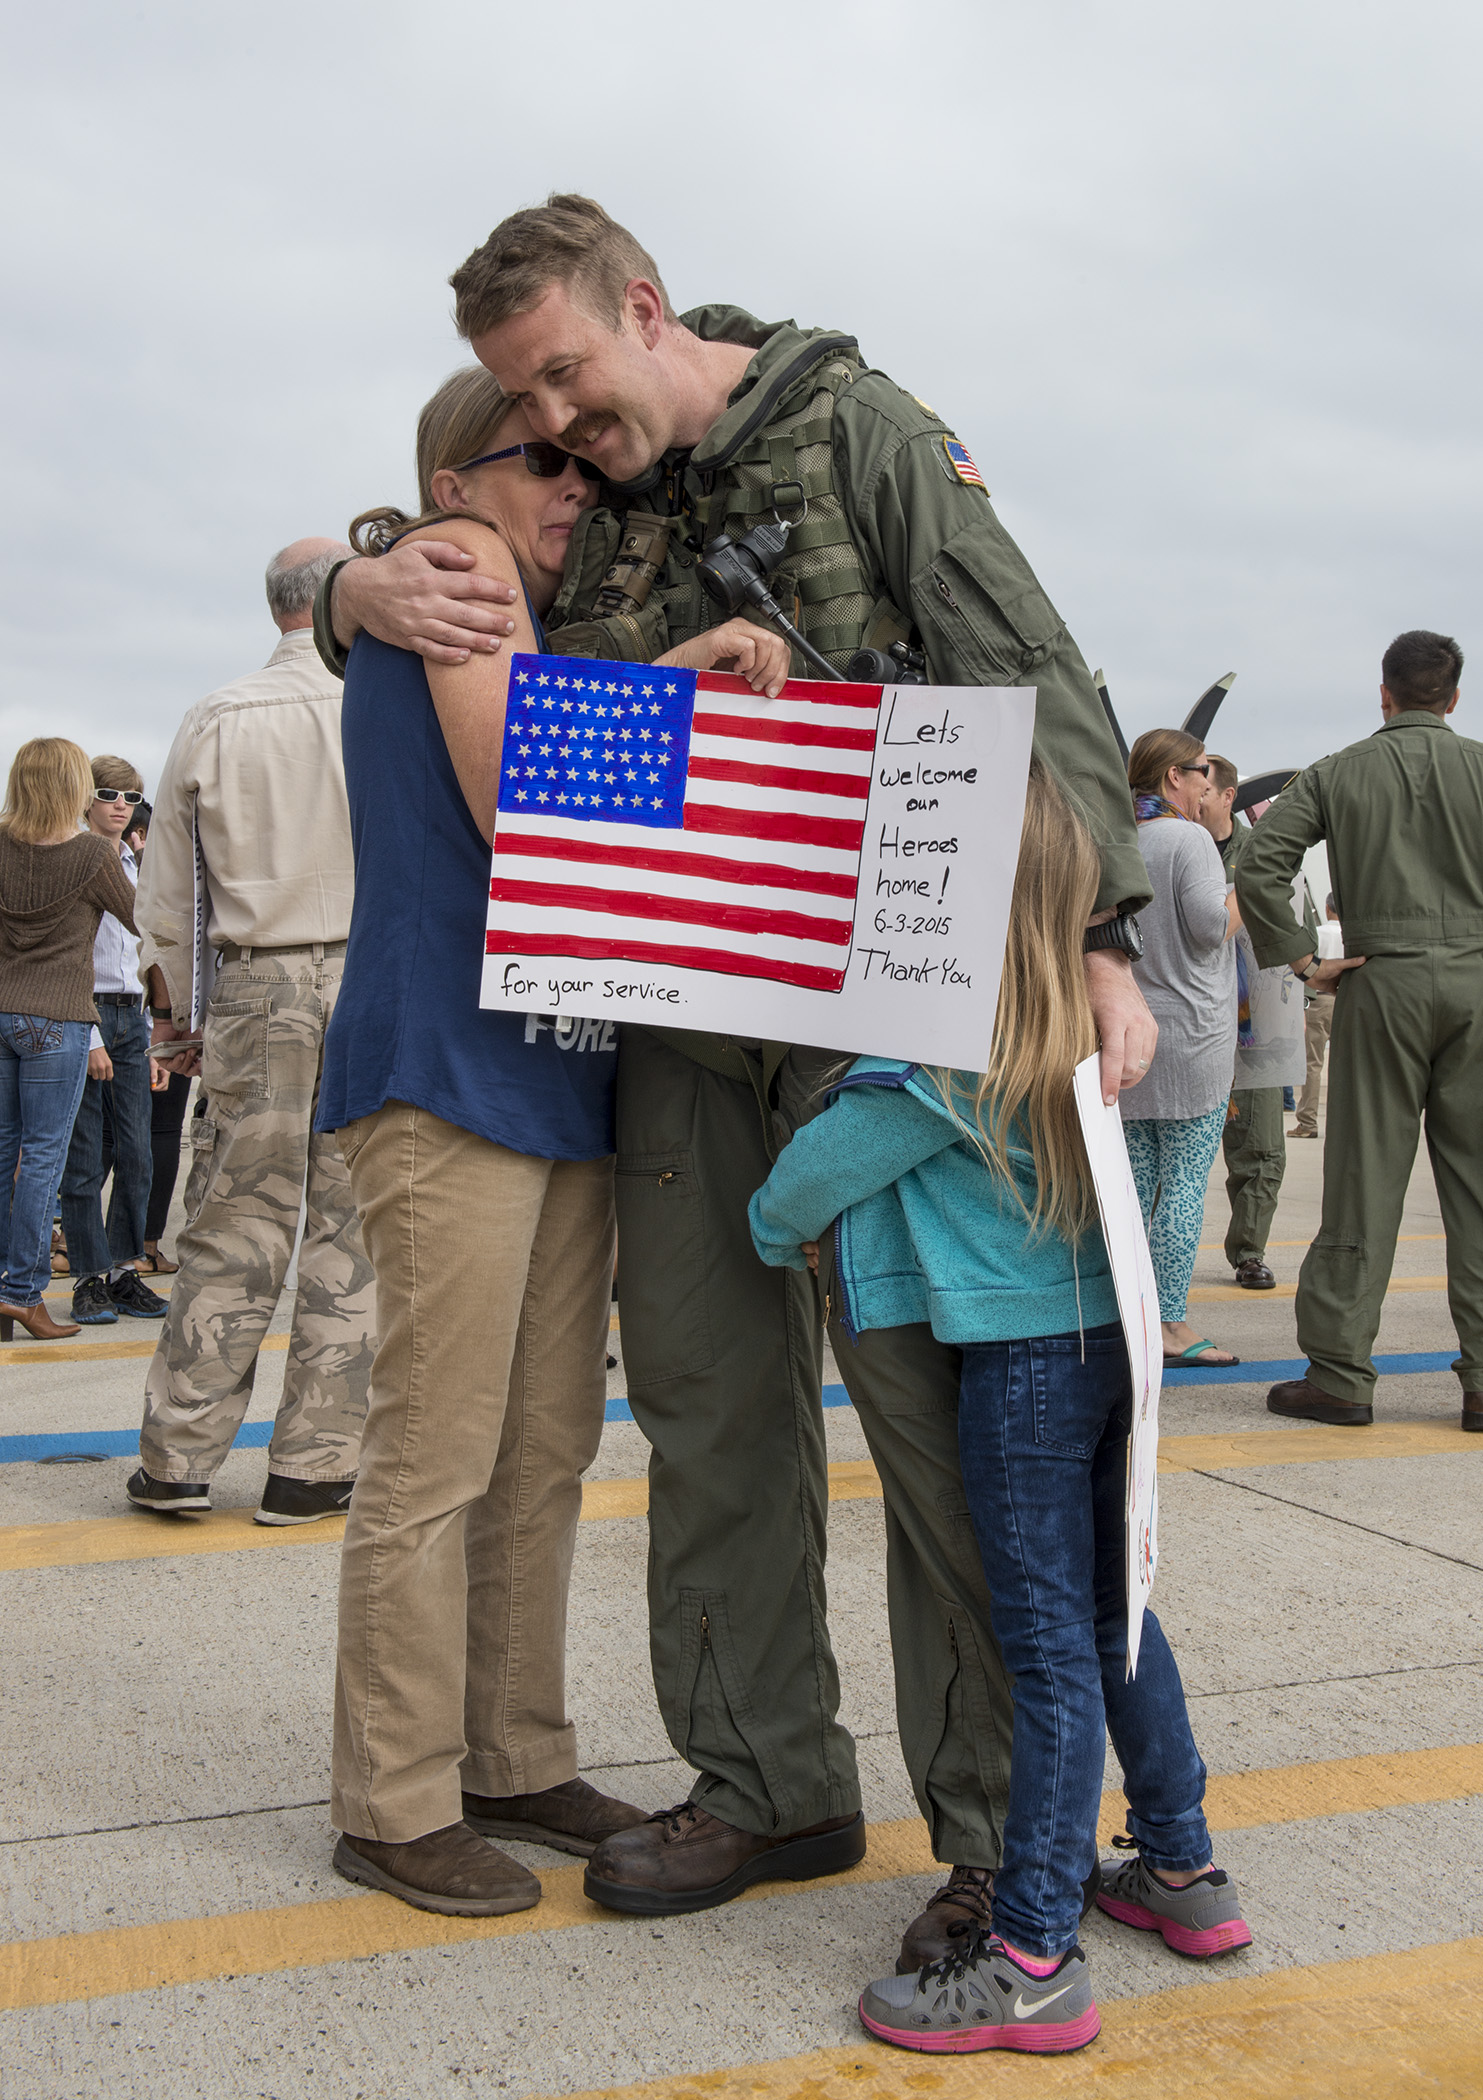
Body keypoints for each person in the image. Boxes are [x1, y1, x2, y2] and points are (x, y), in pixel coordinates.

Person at [314, 195, 1158, 1927]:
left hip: (880, 1022)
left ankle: (996, 1836)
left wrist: (1097, 938)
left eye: (564, 375)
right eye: (523, 403)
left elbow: (1024, 664)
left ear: (643, 306)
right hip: (682, 1027)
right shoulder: (574, 506)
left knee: (932, 1434)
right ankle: (767, 1783)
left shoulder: (860, 431)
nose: (554, 422)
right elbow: (522, 712)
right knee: (704, 1417)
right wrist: (342, 580)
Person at [323, 368, 788, 1918]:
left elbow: (548, 736)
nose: (575, 480)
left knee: (538, 1451)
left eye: (581, 460)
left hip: (542, 1075)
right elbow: (522, 798)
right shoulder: (452, 566)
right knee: (439, 1452)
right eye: (539, 457)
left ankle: (512, 1754)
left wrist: (672, 667)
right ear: (454, 480)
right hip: (448, 1071)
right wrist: (679, 689)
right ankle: (392, 1799)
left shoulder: (511, 607)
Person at [748, 763, 1250, 2056]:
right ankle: (1182, 1867)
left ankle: (1029, 1955)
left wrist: (765, 1226)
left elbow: (813, 1174)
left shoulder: (940, 1049)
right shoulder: (1073, 1022)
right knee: (1115, 1620)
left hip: (1018, 1374)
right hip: (1103, 1347)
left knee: (1044, 1655)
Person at [127, 538, 377, 1525]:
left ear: (275, 605)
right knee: (352, 1232)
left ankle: (177, 1459)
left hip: (256, 982)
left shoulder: (218, 714)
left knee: (232, 1223)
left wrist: (177, 1021)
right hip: (372, 977)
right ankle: (313, 1466)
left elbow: (169, 894)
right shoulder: (381, 703)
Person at [1237, 629, 1478, 1431]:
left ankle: (1340, 1376)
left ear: (1383, 694)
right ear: (1452, 697)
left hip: (1380, 983)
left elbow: (1259, 864)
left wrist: (1303, 959)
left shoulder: (1336, 771)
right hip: (1476, 980)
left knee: (1362, 1180)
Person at [0, 739, 139, 1340]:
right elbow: (141, 919)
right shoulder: (92, 853)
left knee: (5, 1153)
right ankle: (22, 1295)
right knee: (44, 1158)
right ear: (74, 786)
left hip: (1, 1011)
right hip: (58, 1018)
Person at [1122, 731, 1240, 1369]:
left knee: (1137, 1189)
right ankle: (1168, 1323)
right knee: (1185, 1185)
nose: (1205, 787)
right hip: (1194, 1037)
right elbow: (1210, 926)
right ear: (1173, 776)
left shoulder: (1121, 837)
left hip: (1131, 1035)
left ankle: (1131, 1316)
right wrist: (1247, 889)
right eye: (1201, 774)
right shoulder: (1188, 840)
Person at [57, 756, 168, 1328]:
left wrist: (156, 1035)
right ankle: (88, 1278)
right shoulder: (75, 859)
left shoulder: (138, 863)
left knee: (137, 1152)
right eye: (108, 794)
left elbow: (150, 950)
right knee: (83, 1155)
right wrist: (89, 1033)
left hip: (133, 1016)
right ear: (86, 799)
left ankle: (124, 1270)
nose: (121, 805)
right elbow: (68, 954)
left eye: (131, 796)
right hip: (86, 1010)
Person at [1199, 756, 1307, 1291]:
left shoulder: (1264, 854)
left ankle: (1249, 1251)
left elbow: (1296, 928)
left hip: (1254, 1024)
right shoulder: (1172, 846)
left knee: (1260, 1146)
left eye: (1203, 788)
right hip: (1190, 1019)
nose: (1193, 797)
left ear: (1227, 796)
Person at [1289, 893, 1343, 1139]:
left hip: (1318, 1000)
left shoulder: (1318, 933)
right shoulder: (1350, 936)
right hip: (1343, 1000)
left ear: (1327, 909)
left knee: (1313, 1064)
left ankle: (1308, 1122)